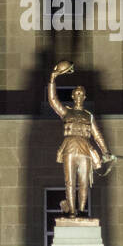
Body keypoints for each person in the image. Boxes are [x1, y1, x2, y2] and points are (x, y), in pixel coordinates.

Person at [47, 60, 110, 218]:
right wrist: (53, 79)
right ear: (73, 96)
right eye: (77, 93)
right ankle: (72, 212)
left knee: (83, 183)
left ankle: (81, 210)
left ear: (85, 96)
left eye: (82, 93)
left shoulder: (88, 116)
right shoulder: (66, 113)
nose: (79, 96)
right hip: (69, 148)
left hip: (85, 149)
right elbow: (53, 101)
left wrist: (106, 151)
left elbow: (97, 135)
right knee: (69, 182)